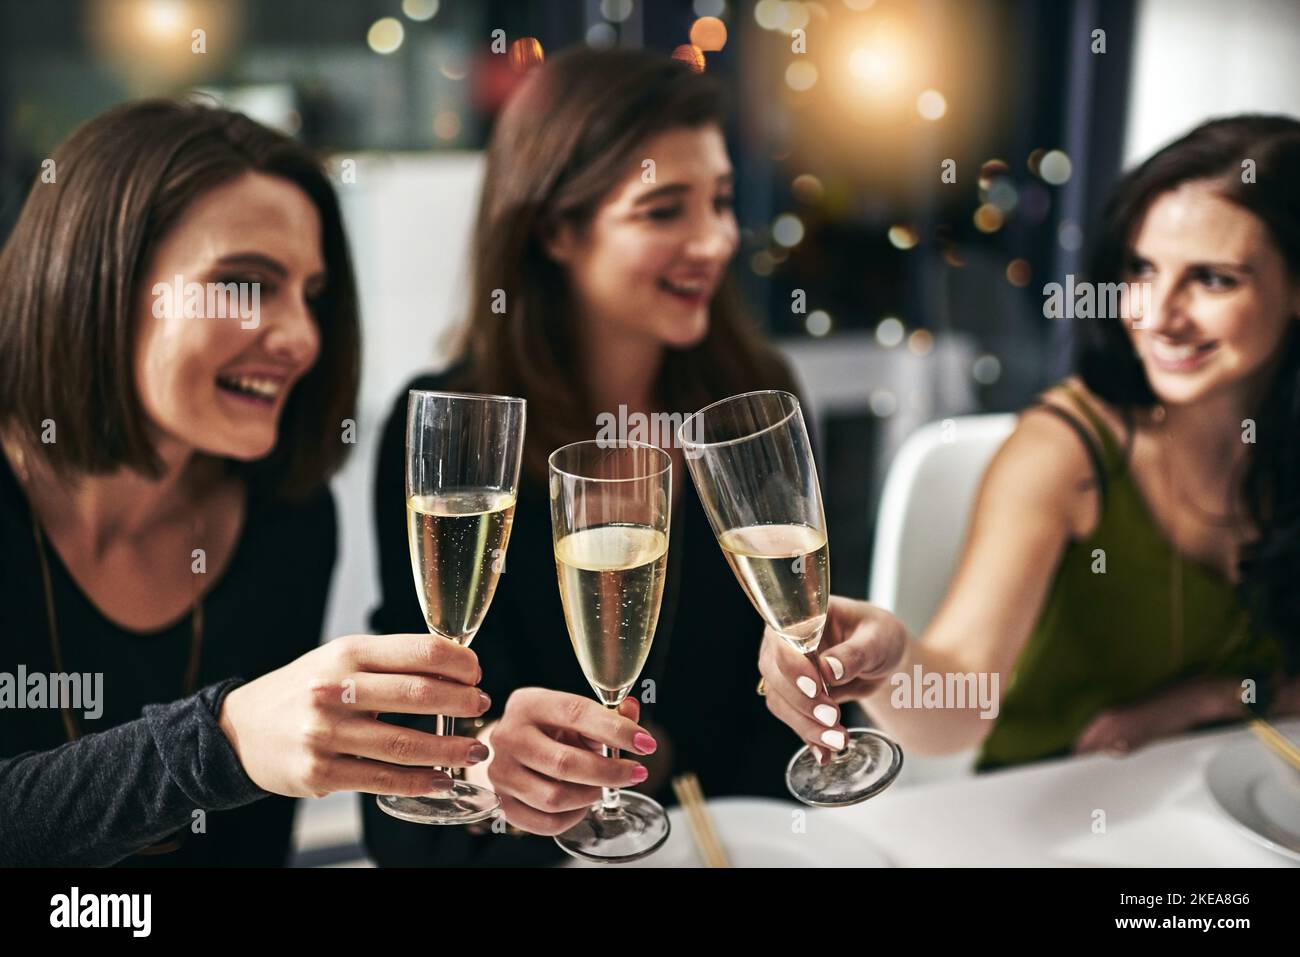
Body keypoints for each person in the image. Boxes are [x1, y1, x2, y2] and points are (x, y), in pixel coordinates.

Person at [0, 100, 489, 866]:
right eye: (247, 284)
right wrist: (219, 742)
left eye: (311, 294)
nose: (301, 337)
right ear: (99, 279)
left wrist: (480, 768)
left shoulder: (286, 519)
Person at [364, 48, 812, 866]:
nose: (712, 240)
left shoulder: (753, 403)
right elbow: (407, 794)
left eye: (718, 201)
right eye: (663, 209)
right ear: (555, 229)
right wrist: (496, 770)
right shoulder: (452, 434)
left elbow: (791, 711)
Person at [759, 115, 1300, 770]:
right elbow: (958, 709)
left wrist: (1208, 699)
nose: (1158, 315)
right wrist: (895, 657)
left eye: (1213, 279)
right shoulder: (1065, 450)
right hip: (1046, 810)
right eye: (1141, 269)